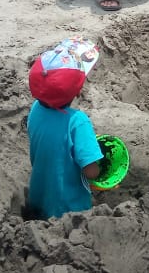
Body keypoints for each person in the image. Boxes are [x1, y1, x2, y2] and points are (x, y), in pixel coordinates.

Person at [26, 42, 103, 220]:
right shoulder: (78, 122)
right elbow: (91, 172)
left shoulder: (36, 109)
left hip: (39, 197)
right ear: (77, 92)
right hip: (69, 210)